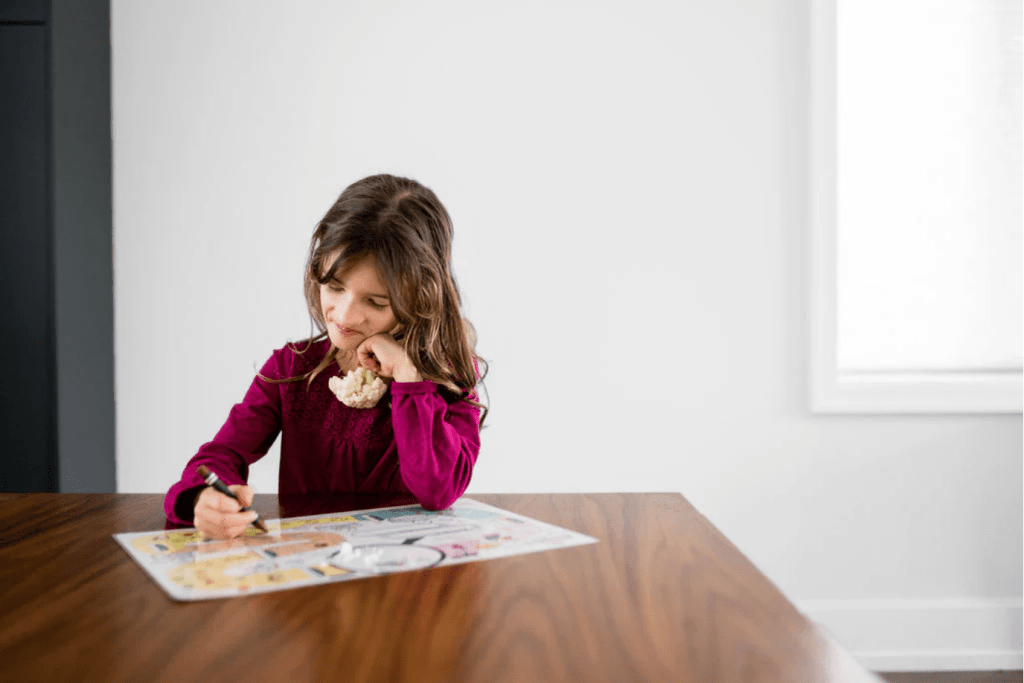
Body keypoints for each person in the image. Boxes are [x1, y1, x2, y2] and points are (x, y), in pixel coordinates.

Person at [164, 174, 488, 540]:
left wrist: (409, 378)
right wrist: (204, 499)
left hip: (409, 569)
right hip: (312, 564)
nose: (345, 316)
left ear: (420, 299)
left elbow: (438, 491)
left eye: (376, 302)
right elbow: (221, 454)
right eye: (334, 287)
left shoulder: (447, 378)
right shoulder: (292, 369)